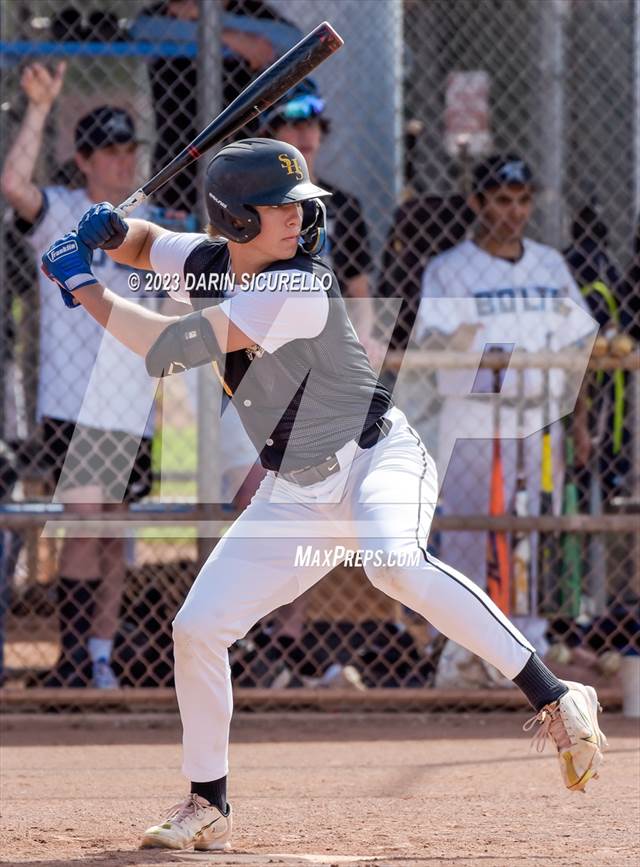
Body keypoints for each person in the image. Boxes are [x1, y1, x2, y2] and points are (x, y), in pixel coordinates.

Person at [41, 138, 605, 851]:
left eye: (299, 206)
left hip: (378, 461)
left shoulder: (299, 285)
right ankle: (207, 800)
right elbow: (153, 243)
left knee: (391, 561)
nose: (298, 218)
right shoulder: (214, 263)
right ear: (235, 220)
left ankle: (553, 693)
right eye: (279, 207)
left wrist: (83, 284)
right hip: (295, 492)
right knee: (199, 626)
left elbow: (165, 347)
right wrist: (112, 233)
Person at [1, 62, 158, 688]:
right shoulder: (61, 211)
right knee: (87, 523)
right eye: (111, 153)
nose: (123, 163)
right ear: (86, 161)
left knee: (114, 533)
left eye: (130, 152)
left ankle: (100, 656)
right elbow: (12, 182)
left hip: (132, 403)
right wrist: (39, 107)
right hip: (76, 402)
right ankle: (73, 657)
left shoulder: (149, 224)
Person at [416, 154, 596, 630]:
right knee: (470, 531)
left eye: (521, 200)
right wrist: (466, 338)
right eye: (500, 200)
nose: (513, 212)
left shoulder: (550, 264)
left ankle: (530, 639)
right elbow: (433, 342)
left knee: (535, 527)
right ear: (478, 203)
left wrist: (579, 424)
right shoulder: (449, 269)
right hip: (474, 415)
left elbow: (580, 346)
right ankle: (461, 638)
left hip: (541, 416)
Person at [262, 80, 382, 363]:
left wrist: (362, 336)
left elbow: (359, 291)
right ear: (272, 134)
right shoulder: (254, 204)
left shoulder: (343, 205)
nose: (305, 133)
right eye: (294, 123)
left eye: (312, 124)